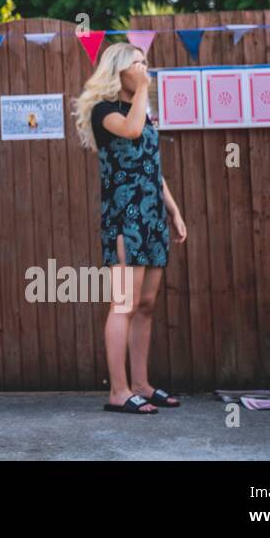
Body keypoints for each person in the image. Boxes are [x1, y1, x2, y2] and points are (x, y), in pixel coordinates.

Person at [74, 42, 188, 415]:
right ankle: (118, 391)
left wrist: (173, 210)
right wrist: (141, 90)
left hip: (152, 216)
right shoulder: (104, 111)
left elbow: (150, 166)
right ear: (118, 70)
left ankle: (141, 385)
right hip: (126, 217)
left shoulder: (140, 107)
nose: (144, 69)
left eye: (145, 63)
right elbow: (132, 130)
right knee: (124, 304)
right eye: (136, 64)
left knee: (146, 305)